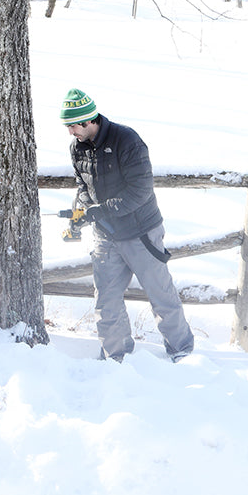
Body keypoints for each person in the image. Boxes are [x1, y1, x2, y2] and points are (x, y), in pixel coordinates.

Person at [60, 87, 194, 365]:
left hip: (140, 231)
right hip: (105, 235)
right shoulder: (77, 148)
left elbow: (141, 190)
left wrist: (102, 210)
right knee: (106, 300)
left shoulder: (127, 140)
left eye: (73, 126)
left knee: (160, 293)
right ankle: (115, 356)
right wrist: (86, 212)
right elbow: (82, 185)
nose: (70, 132)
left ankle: (181, 351)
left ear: (88, 121)